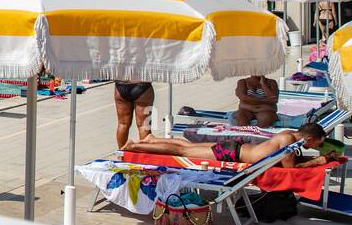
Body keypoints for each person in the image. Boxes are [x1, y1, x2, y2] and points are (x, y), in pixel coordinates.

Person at [128, 123, 331, 168]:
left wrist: (315, 158)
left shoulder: (290, 135)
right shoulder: (288, 142)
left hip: (237, 148)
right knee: (183, 150)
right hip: (232, 154)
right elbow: (291, 169)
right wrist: (319, 161)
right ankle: (136, 147)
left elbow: (293, 160)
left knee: (186, 146)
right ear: (310, 139)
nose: (314, 148)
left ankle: (152, 140)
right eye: (316, 145)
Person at [113, 81, 154, 150]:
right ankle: (145, 156)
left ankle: (122, 155)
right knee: (144, 126)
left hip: (121, 85)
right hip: (142, 85)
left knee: (122, 124)